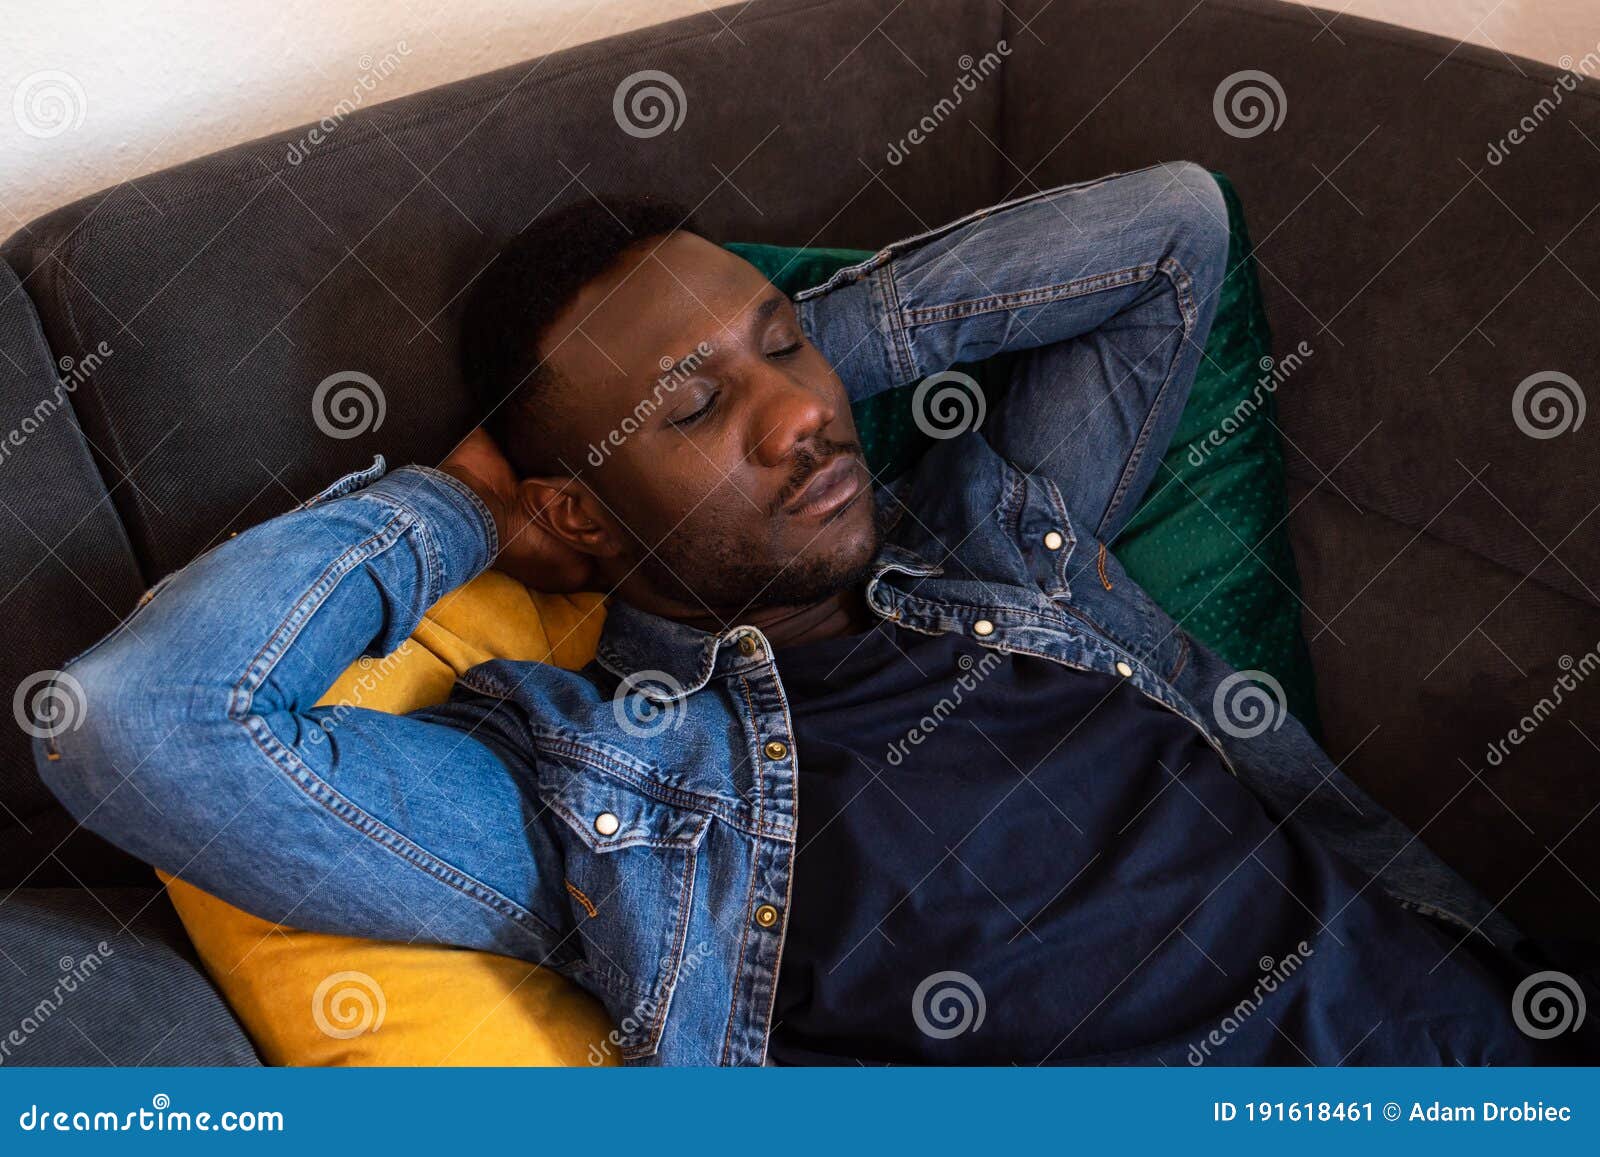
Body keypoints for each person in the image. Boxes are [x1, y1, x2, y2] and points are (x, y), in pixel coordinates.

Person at [35, 162, 1593, 1065]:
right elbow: (140, 723)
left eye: (785, 347)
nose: (798, 420)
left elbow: (1172, 233)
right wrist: (465, 514)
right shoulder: (612, 794)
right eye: (693, 405)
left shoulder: (999, 538)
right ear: (577, 509)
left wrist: (779, 356)